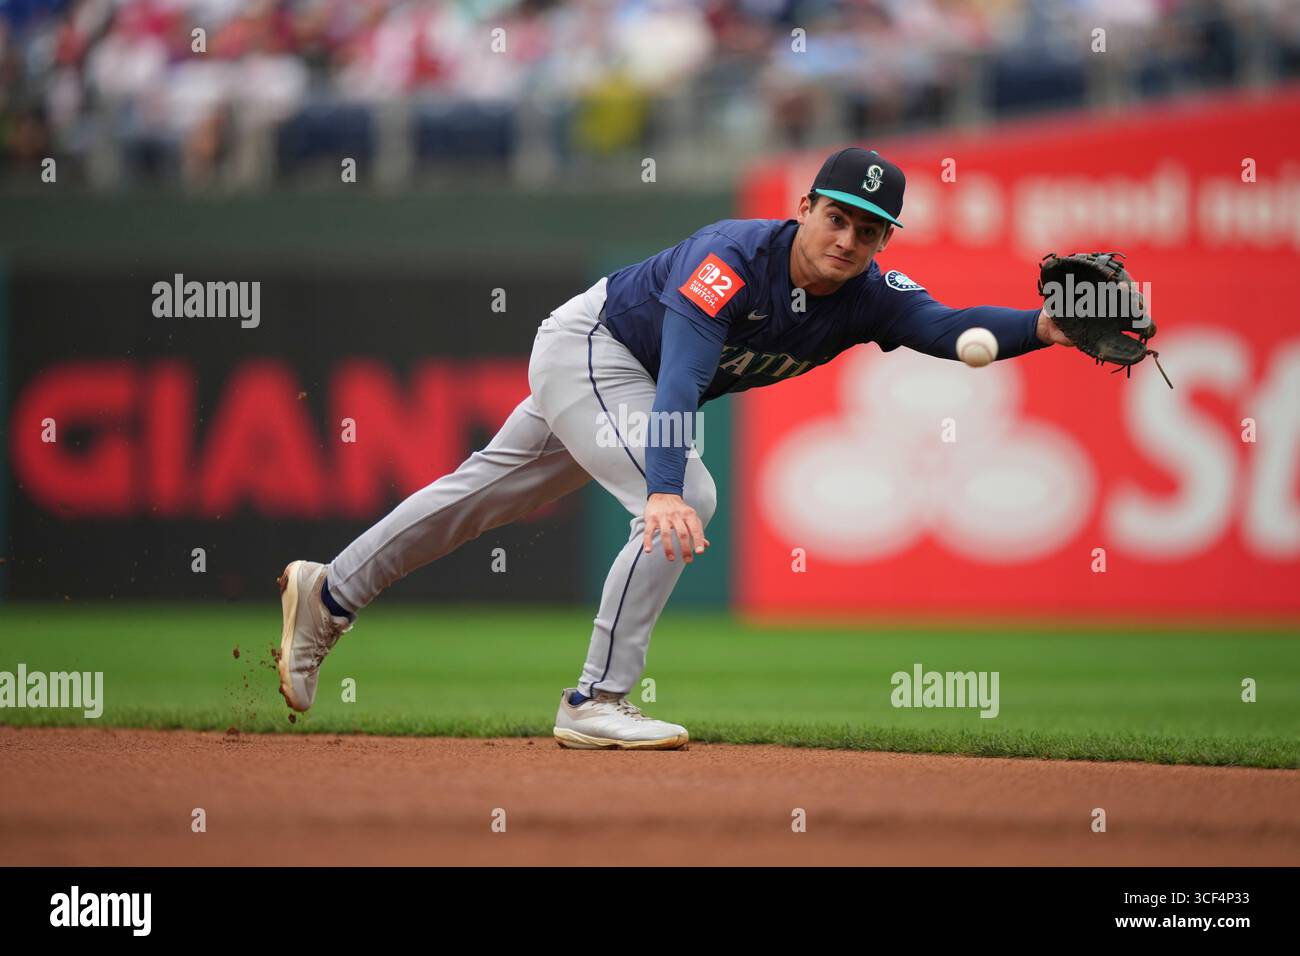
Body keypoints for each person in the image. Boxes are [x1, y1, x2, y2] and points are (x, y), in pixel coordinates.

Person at [275, 147, 1074, 750]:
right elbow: (682, 380)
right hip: (595, 347)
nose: (847, 238)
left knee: (486, 492)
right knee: (686, 499)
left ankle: (330, 592)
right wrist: (660, 488)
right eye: (835, 216)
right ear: (804, 207)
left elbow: (951, 330)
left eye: (868, 230)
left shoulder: (868, 295)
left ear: (883, 239)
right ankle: (595, 702)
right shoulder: (727, 261)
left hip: (627, 380)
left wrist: (1046, 327)